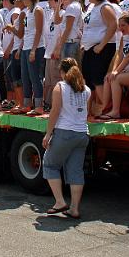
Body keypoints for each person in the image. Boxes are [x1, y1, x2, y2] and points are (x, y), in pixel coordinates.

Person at [42, 58, 91, 220]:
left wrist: (48, 134)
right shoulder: (86, 90)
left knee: (50, 164)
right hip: (82, 133)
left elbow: (55, 111)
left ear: (63, 72)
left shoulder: (60, 87)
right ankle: (74, 209)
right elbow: (86, 112)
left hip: (64, 132)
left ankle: (60, 202)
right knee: (76, 171)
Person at [98, 14, 129, 120]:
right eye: (119, 25)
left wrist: (116, 72)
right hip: (128, 72)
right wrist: (114, 70)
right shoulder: (124, 37)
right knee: (108, 77)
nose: (120, 28)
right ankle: (105, 109)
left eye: (123, 25)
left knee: (115, 79)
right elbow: (119, 55)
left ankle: (115, 111)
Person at [80, 0, 117, 112]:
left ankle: (106, 108)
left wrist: (101, 45)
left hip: (102, 47)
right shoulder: (91, 7)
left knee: (97, 78)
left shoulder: (105, 7)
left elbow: (113, 25)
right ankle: (88, 110)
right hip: (89, 48)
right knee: (88, 78)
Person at [14, 0, 46, 114]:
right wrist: (20, 48)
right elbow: (26, 32)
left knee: (35, 76)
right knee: (25, 76)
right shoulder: (27, 11)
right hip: (26, 47)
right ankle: (27, 104)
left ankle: (39, 105)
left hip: (36, 47)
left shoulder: (38, 10)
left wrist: (33, 50)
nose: (23, 0)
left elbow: (39, 31)